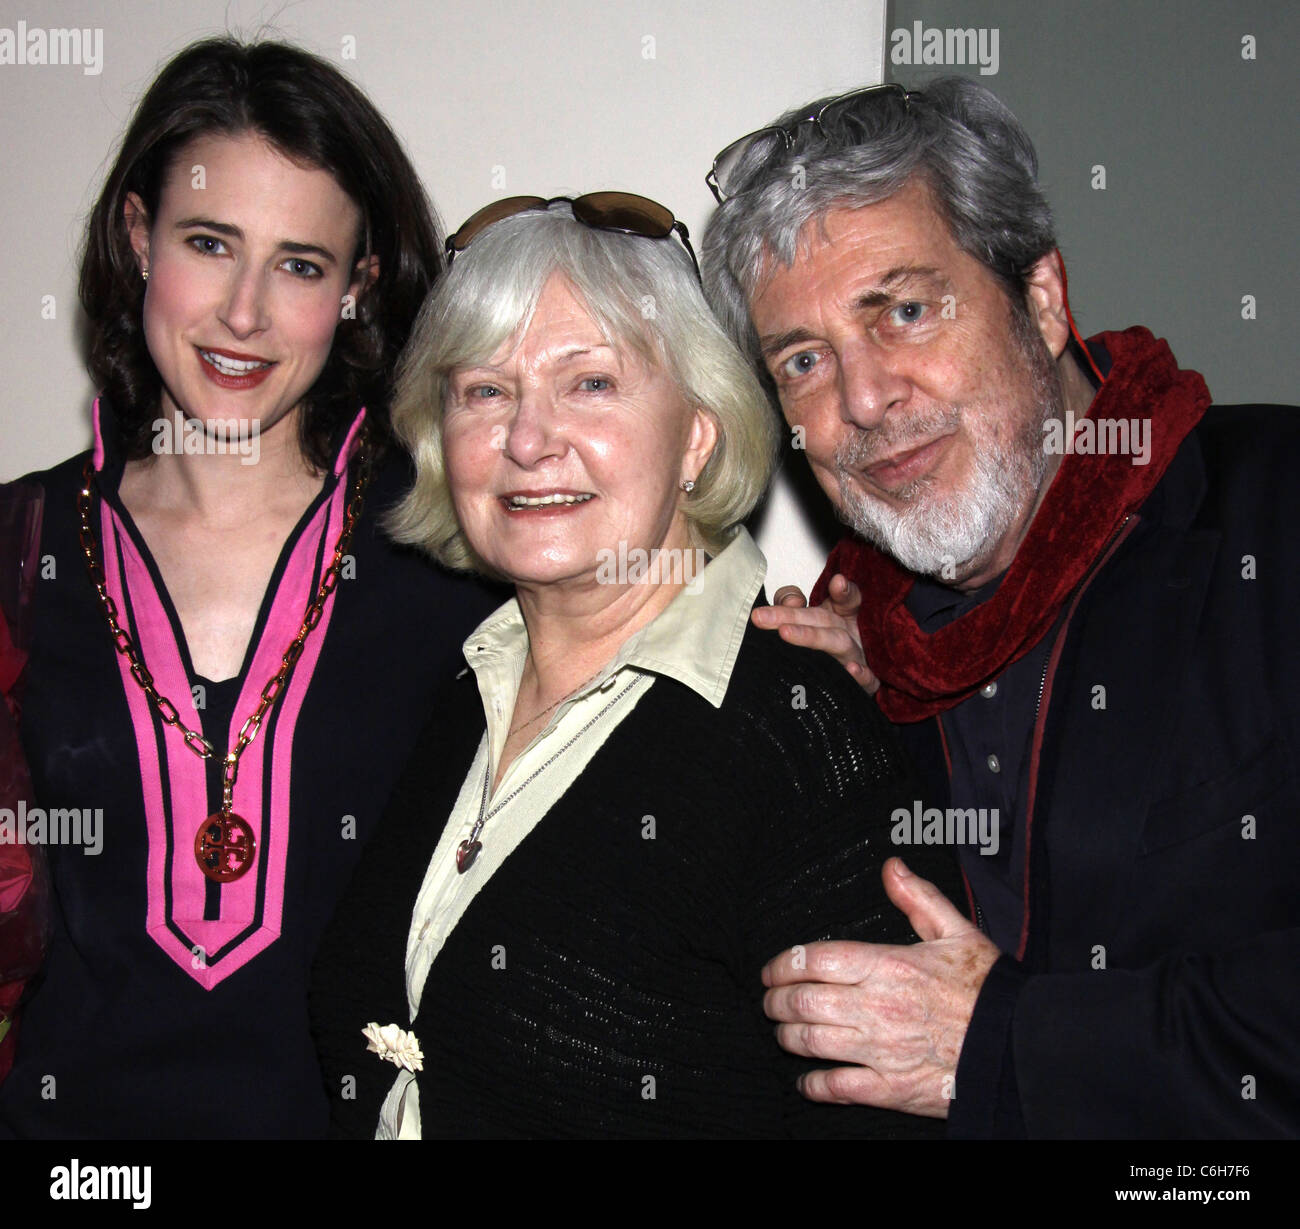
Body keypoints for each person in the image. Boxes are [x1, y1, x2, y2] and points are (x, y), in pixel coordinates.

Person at [700, 78, 1299, 1138]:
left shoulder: (1275, 517)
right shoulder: (850, 666)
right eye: (803, 359)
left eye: (905, 309)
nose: (865, 399)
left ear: (1043, 299)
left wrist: (1008, 1045)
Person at [309, 194, 961, 1139]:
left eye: (591, 384)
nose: (528, 441)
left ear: (698, 434)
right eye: (484, 392)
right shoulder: (460, 692)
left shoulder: (799, 736)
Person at [0, 37, 497, 1139]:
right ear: (138, 239)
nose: (242, 312)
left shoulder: (461, 550)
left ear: (360, 286)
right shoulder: (16, 549)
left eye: (300, 265)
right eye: (209, 243)